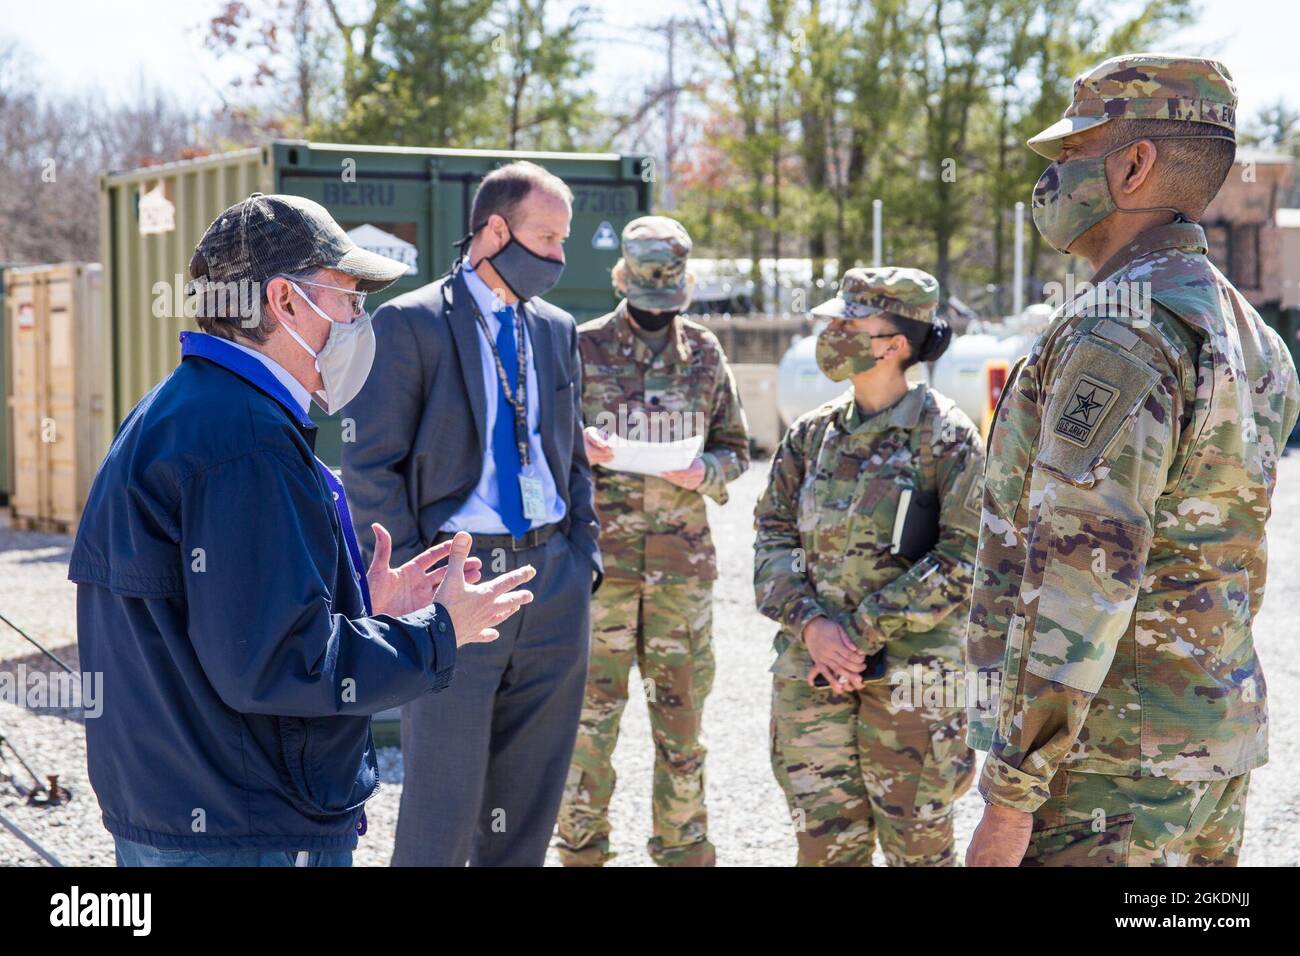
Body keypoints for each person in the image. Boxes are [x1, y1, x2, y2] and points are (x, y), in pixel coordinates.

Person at [69, 193, 535, 867]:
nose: (356, 319)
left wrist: (357, 604)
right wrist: (436, 632)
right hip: (243, 825)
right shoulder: (247, 438)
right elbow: (278, 666)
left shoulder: (181, 407)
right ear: (285, 302)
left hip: (183, 809)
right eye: (346, 298)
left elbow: (224, 621)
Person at [964, 54, 1300, 867]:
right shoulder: (1249, 332)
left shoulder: (1119, 330)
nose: (1051, 179)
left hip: (1105, 776)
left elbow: (1083, 575)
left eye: (1069, 155)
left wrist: (1011, 799)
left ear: (1133, 164)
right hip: (1207, 748)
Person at [342, 161, 602, 866]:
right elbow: (369, 467)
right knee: (444, 802)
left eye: (564, 240)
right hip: (459, 580)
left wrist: (583, 559)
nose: (558, 257)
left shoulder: (554, 329)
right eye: (546, 238)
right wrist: (419, 582)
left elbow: (569, 458)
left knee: (528, 802)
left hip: (553, 578)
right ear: (493, 230)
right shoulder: (410, 322)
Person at [753, 267, 982, 866]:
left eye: (849, 322)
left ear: (894, 343)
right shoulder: (810, 436)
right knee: (825, 848)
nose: (832, 332)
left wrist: (854, 635)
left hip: (911, 686)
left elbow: (965, 557)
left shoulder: (950, 439)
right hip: (814, 679)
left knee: (920, 853)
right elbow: (771, 537)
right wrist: (812, 627)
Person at [555, 216, 750, 866]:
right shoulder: (580, 347)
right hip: (600, 573)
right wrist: (576, 448)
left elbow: (735, 448)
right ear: (622, 282)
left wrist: (706, 472)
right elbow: (537, 448)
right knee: (587, 731)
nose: (655, 311)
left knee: (682, 731)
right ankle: (581, 853)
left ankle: (684, 852)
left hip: (681, 577)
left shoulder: (704, 352)